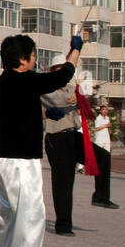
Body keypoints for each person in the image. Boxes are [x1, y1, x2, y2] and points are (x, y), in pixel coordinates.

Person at [0, 33, 81, 247]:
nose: (35, 58)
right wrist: (74, 52)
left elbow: (19, 109)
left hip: (2, 159)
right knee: (30, 215)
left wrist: (45, 113)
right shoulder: (25, 80)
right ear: (22, 59)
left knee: (11, 215)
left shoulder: (3, 82)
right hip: (21, 160)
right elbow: (61, 77)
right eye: (32, 54)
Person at [40, 68, 85, 236]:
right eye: (58, 71)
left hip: (74, 134)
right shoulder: (47, 90)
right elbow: (58, 102)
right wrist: (76, 99)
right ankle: (63, 225)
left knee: (102, 157)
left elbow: (85, 97)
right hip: (56, 138)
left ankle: (101, 196)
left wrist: (85, 95)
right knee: (63, 183)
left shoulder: (71, 89)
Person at [89, 103, 117, 208]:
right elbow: (97, 128)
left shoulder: (108, 118)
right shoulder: (98, 118)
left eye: (106, 109)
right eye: (104, 109)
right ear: (100, 111)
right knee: (101, 164)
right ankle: (99, 196)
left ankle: (103, 196)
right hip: (99, 141)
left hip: (106, 140)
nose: (105, 111)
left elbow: (108, 130)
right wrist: (106, 125)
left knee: (106, 163)